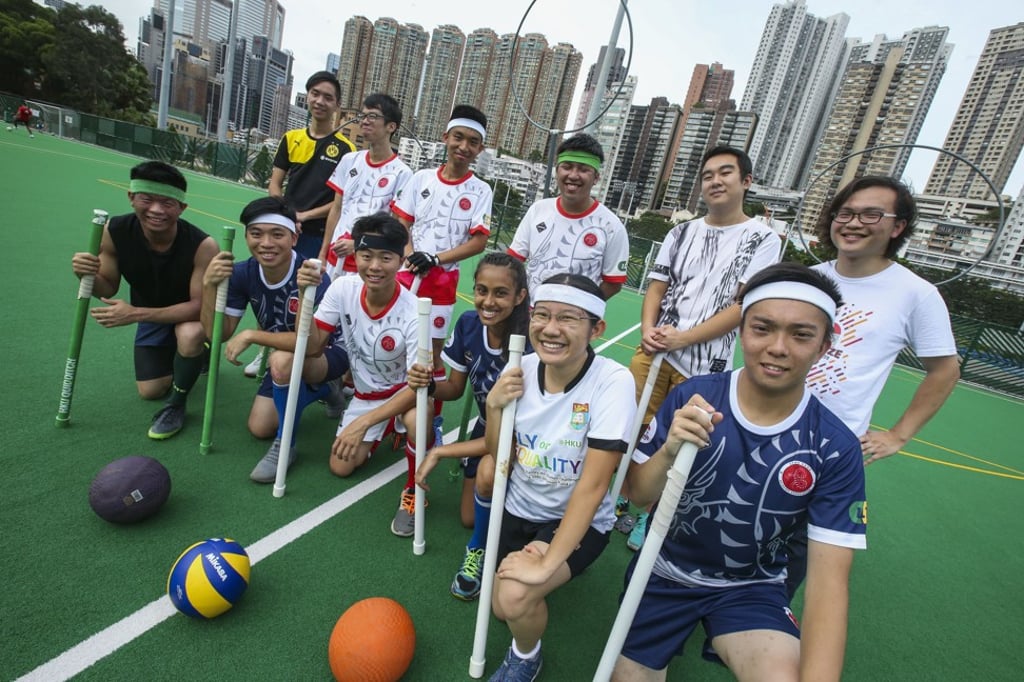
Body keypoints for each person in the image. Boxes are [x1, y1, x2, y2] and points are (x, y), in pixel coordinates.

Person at [612, 262, 867, 682]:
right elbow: (638, 494)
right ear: (742, 330)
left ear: (825, 345)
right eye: (762, 328)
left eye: (801, 334)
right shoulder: (694, 396)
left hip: (753, 587)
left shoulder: (834, 446)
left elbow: (828, 585)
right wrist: (670, 450)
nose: (778, 347)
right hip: (662, 571)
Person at [776, 175, 960, 598]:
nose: (854, 222)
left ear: (897, 227)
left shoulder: (917, 293)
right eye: (846, 212)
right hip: (769, 423)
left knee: (796, 546)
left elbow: (945, 370)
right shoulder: (807, 279)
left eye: (871, 214)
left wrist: (898, 435)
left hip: (832, 446)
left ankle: (760, 615)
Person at [620, 145, 781, 550]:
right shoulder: (682, 231)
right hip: (656, 352)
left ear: (746, 182)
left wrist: (685, 337)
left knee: (683, 443)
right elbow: (657, 285)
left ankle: (655, 514)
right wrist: (648, 328)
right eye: (707, 175)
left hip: (706, 366)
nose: (715, 181)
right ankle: (619, 498)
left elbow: (745, 306)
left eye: (725, 173)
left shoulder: (763, 239)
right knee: (628, 427)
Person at [484, 274, 637, 681]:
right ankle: (549, 566)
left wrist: (549, 560)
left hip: (576, 517)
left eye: (568, 319)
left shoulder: (613, 381)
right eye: (542, 315)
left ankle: (526, 657)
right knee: (501, 608)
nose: (551, 329)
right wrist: (496, 408)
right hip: (518, 506)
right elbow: (499, 455)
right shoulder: (521, 366)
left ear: (596, 329)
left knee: (515, 596)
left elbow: (594, 486)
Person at [200, 196, 349, 483]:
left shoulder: (312, 273)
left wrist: (253, 334)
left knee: (281, 362)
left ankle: (285, 447)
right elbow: (217, 333)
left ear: (294, 237)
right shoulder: (243, 272)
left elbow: (315, 345)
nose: (266, 243)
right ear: (246, 236)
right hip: (288, 351)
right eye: (256, 234)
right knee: (259, 426)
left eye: (277, 234)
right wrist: (209, 286)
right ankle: (326, 391)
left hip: (329, 352)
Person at [412, 252, 530, 600]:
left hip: (528, 440)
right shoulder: (467, 323)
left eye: (500, 293)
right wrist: (428, 384)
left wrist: (442, 450)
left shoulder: (530, 343)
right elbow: (454, 388)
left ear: (520, 296)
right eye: (481, 290)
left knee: (490, 473)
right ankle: (498, 525)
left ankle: (477, 549)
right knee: (468, 515)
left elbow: (504, 443)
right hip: (489, 429)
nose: (488, 302)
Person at [70, 161, 217, 439]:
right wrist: (85, 275)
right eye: (147, 199)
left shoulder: (203, 246)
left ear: (182, 207)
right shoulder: (115, 231)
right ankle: (190, 357)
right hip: (149, 311)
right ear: (131, 197)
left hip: (188, 316)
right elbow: (108, 288)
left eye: (168, 202)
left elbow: (198, 306)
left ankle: (179, 400)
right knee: (150, 391)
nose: (157, 210)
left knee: (191, 334)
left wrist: (135, 314)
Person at [295, 213, 421, 506]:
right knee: (340, 467)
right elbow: (313, 346)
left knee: (419, 419)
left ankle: (414, 488)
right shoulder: (343, 288)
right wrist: (304, 295)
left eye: (386, 258)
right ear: (357, 254)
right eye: (366, 255)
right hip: (366, 393)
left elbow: (417, 387)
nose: (374, 266)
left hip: (406, 395)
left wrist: (364, 423)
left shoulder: (415, 311)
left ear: (401, 260)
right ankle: (387, 425)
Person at [391, 104, 493, 379]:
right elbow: (403, 222)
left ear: (480, 149)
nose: (463, 146)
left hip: (443, 282)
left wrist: (435, 259)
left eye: (473, 142)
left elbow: (479, 241)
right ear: (445, 137)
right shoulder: (420, 178)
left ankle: (430, 416)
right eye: (458, 137)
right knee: (395, 341)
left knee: (432, 354)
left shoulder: (481, 190)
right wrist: (411, 255)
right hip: (406, 274)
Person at [508, 133, 629, 298]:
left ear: (596, 178)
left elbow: (613, 283)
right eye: (567, 166)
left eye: (583, 169)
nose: (573, 175)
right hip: (530, 315)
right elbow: (513, 261)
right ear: (557, 171)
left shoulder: (612, 226)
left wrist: (579, 308)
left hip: (575, 319)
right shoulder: (538, 210)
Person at [320, 93, 412, 279]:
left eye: (373, 116)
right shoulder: (349, 160)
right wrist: (322, 254)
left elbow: (395, 227)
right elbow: (337, 209)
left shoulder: (402, 173)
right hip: (334, 256)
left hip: (368, 265)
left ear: (391, 126)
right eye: (363, 115)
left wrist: (358, 243)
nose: (365, 121)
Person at [270, 71, 356, 259]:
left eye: (328, 98)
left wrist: (305, 216)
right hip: (286, 227)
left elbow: (341, 201)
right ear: (307, 95)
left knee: (309, 285)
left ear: (337, 105)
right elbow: (275, 184)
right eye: (315, 94)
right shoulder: (290, 138)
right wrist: (289, 215)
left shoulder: (347, 150)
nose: (319, 101)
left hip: (319, 235)